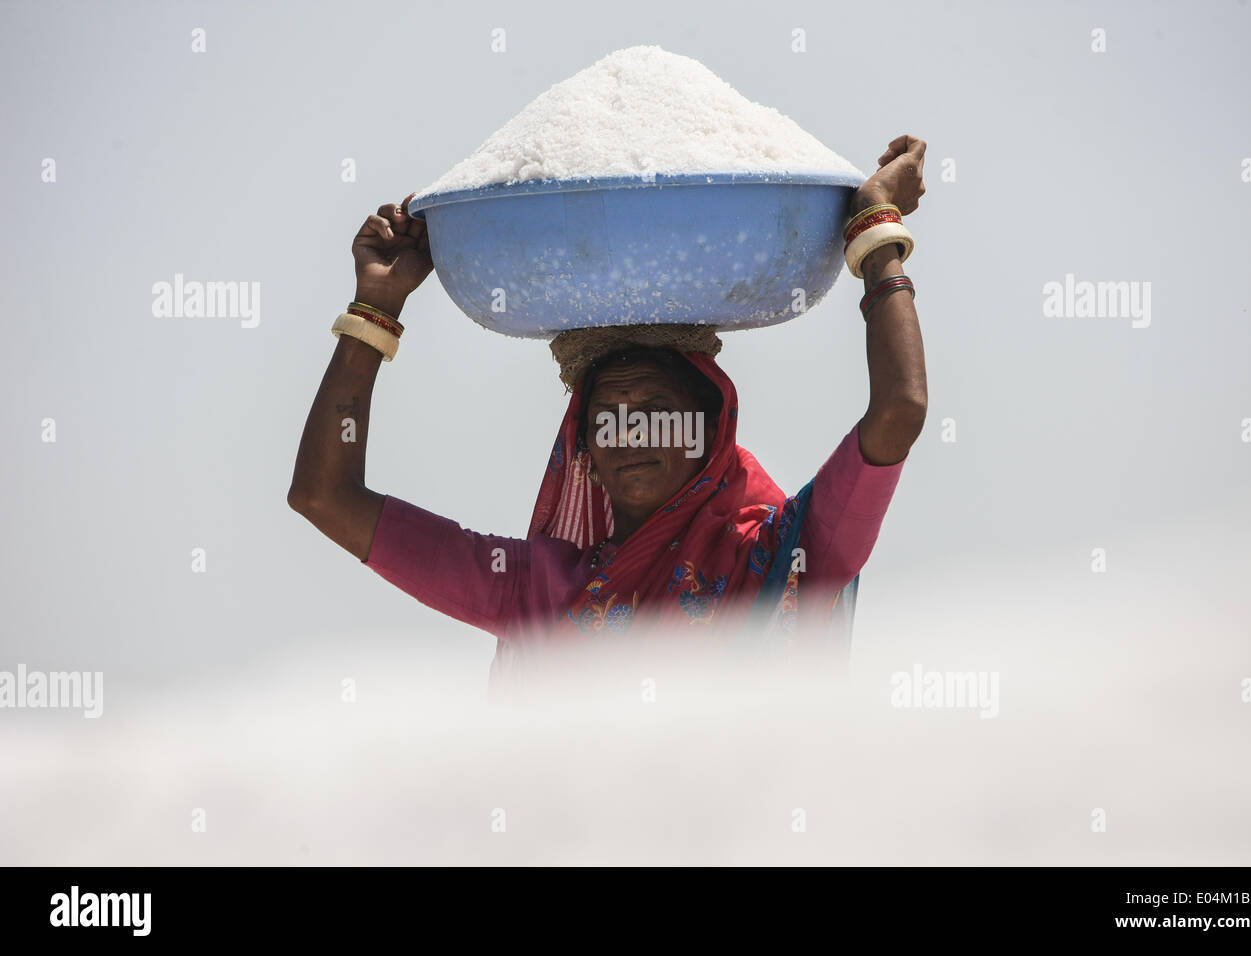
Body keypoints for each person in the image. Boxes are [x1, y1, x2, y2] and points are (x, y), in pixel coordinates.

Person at [289, 135, 930, 693]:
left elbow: (900, 408)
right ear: (584, 453)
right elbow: (324, 497)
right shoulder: (536, 591)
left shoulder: (787, 552)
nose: (631, 434)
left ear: (709, 432)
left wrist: (876, 233)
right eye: (609, 418)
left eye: (656, 409)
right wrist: (376, 305)